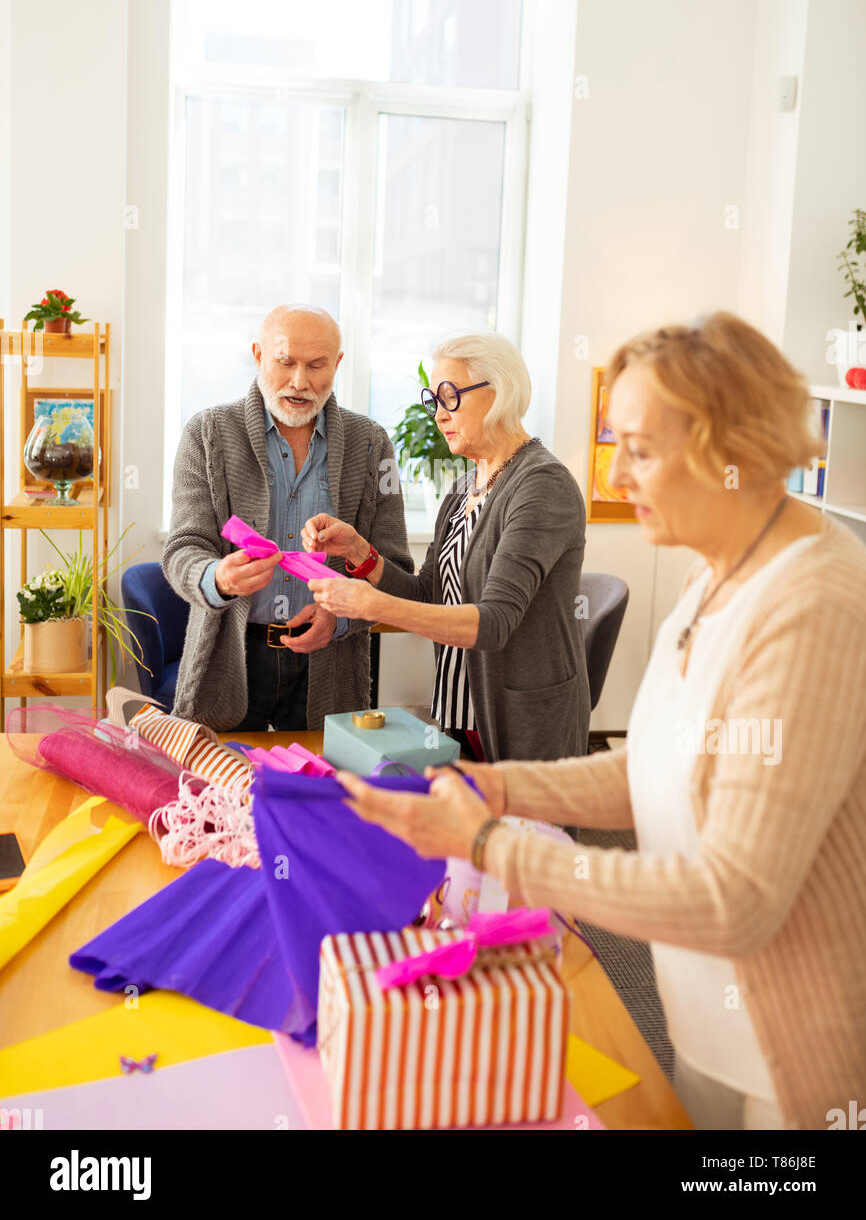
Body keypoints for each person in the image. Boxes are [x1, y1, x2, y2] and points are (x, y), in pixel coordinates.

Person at [330, 312, 866, 1131]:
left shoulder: (815, 606)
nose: (615, 480)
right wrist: (490, 787)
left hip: (788, 1049)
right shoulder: (715, 575)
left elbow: (735, 900)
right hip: (704, 1024)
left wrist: (486, 842)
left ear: (734, 450)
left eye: (640, 450)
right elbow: (651, 763)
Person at [303, 331, 591, 763]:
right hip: (462, 716)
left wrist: (371, 605)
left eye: (450, 397)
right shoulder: (463, 488)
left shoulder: (542, 485)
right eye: (433, 399)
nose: (439, 415)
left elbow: (493, 624)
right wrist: (361, 553)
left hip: (524, 723)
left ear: (500, 393)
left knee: (521, 832)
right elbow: (428, 595)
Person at [163, 305, 413, 732]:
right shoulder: (206, 433)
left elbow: (397, 572)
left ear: (337, 364)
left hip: (330, 665)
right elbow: (182, 549)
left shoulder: (372, 444)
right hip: (231, 656)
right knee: (221, 789)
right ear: (258, 355)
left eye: (316, 365)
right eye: (285, 362)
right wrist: (218, 577)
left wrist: (343, 618)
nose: (300, 382)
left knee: (324, 791)